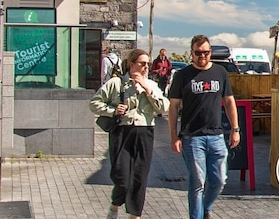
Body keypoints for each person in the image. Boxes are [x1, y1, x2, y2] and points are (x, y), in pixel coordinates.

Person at [167, 35, 240, 219]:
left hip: (216, 135)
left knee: (219, 180)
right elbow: (174, 107)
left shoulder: (220, 73)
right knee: (197, 182)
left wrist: (235, 129)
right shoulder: (182, 76)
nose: (202, 56)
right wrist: (174, 136)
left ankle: (206, 207)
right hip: (192, 137)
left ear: (210, 52)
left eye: (206, 52)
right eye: (198, 53)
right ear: (191, 53)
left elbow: (229, 101)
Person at [91, 49, 168, 218]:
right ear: (131, 64)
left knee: (140, 177)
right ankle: (114, 205)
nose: (145, 67)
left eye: (147, 64)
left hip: (145, 131)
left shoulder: (152, 85)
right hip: (122, 132)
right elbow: (94, 103)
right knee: (122, 177)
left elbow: (164, 107)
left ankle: (135, 215)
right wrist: (112, 110)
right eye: (142, 63)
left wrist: (147, 89)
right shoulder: (116, 84)